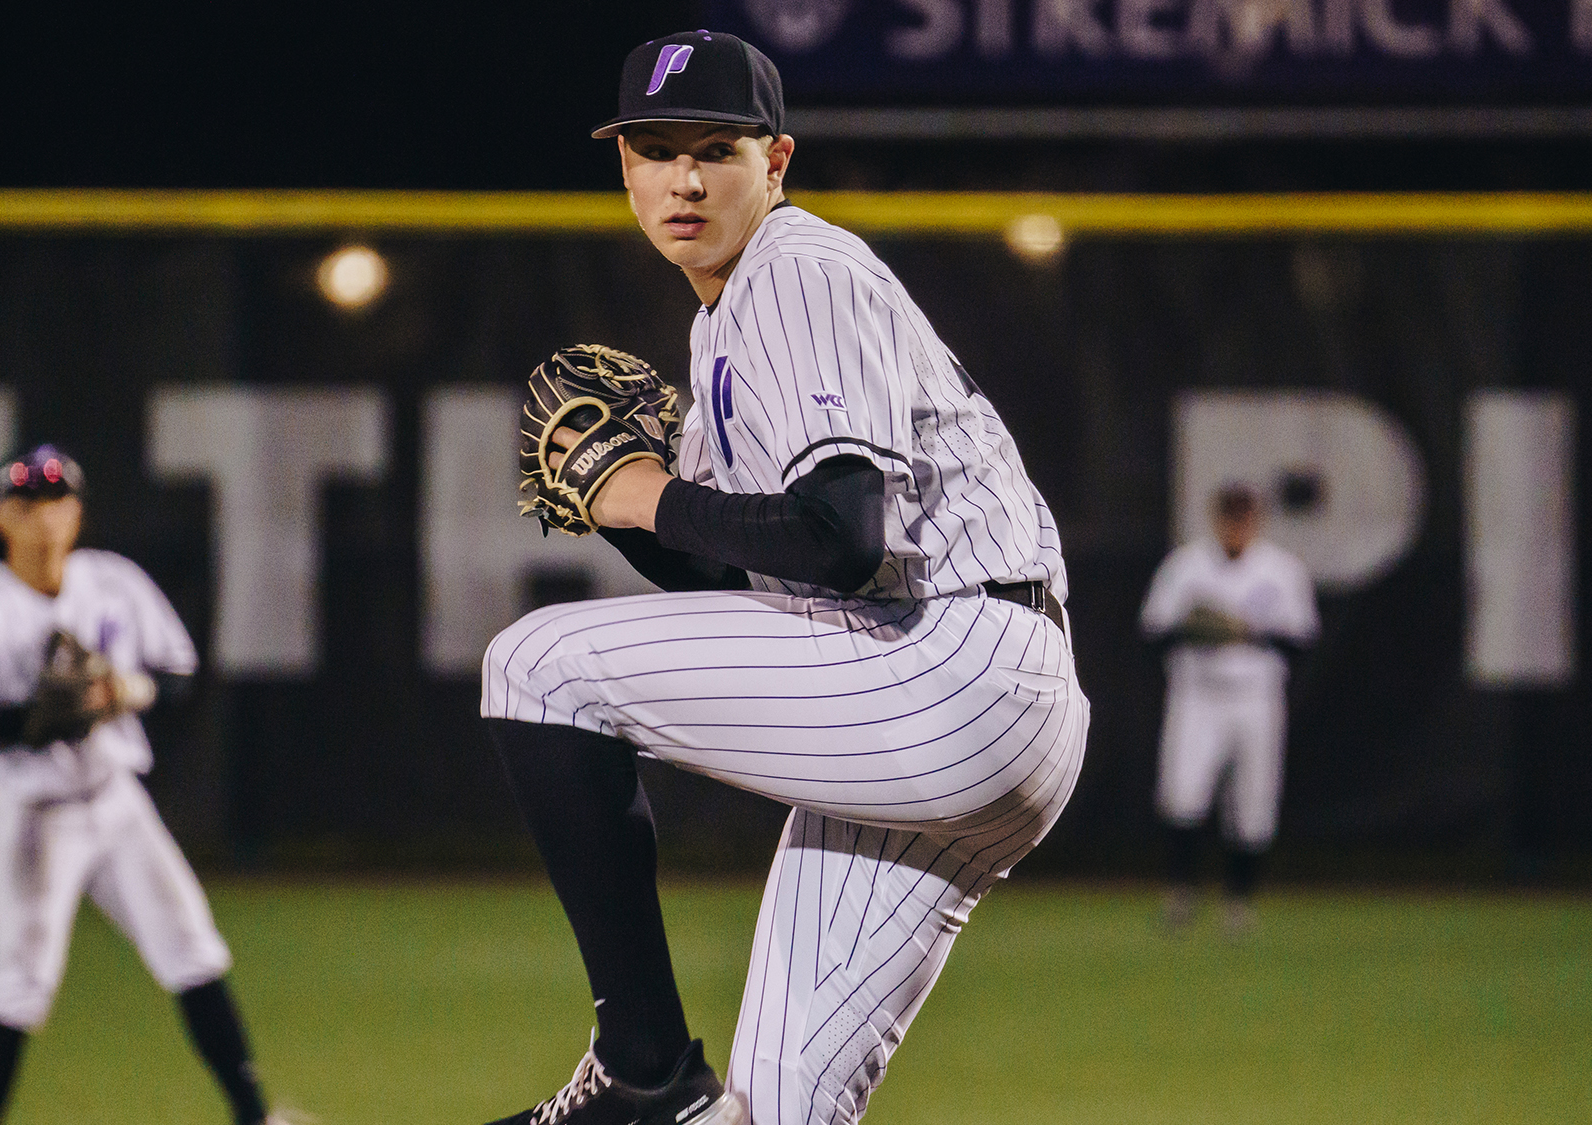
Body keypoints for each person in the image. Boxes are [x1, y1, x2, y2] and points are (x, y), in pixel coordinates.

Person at [480, 31, 1087, 1125]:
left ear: (777, 162)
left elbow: (840, 536)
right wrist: (633, 505)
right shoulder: (720, 320)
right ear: (623, 170)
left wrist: (639, 495)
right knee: (771, 1111)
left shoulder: (793, 272)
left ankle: (642, 1064)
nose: (685, 177)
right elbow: (734, 564)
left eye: (716, 147)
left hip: (946, 664)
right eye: (655, 151)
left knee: (537, 669)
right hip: (946, 703)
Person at [0, 444, 291, 1125]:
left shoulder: (112, 582)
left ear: (78, 511)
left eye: (59, 500)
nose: (46, 517)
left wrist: (126, 688)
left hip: (116, 800)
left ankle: (254, 1116)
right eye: (27, 503)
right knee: (20, 984)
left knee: (193, 948)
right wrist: (38, 718)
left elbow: (181, 675)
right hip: (31, 815)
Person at [1139, 483, 1319, 934]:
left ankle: (1239, 902)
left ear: (1256, 521)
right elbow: (1155, 631)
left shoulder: (1280, 570)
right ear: (1216, 518)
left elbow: (1300, 640)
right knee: (1183, 795)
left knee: (1254, 805)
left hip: (1256, 700)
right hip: (1197, 695)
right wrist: (1205, 631)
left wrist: (1247, 633)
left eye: (1244, 517)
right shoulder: (1186, 566)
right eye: (1229, 516)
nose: (1236, 526)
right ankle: (1181, 895)